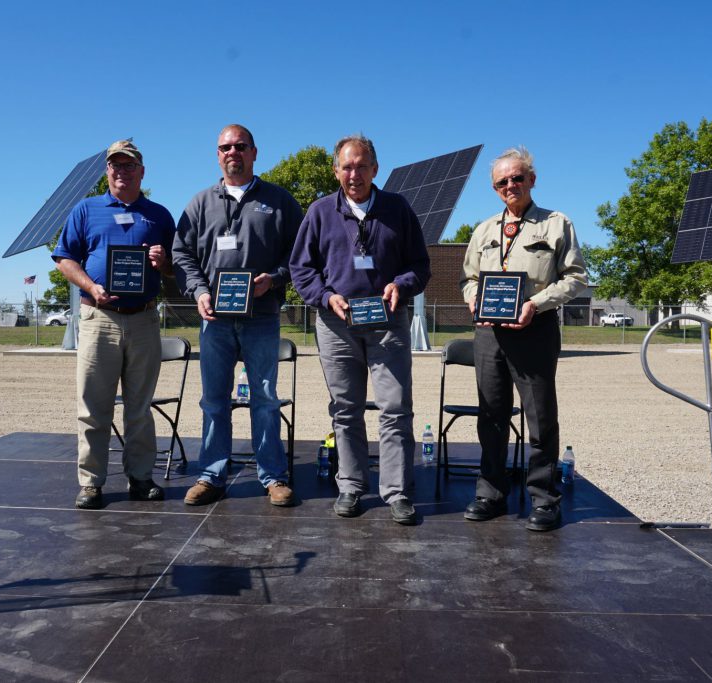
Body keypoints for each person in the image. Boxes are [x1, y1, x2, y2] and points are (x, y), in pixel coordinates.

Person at [290, 135, 431, 525]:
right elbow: (302, 268)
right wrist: (324, 296)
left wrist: (400, 285)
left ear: (375, 169)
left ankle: (397, 492)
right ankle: (351, 485)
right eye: (346, 167)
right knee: (346, 410)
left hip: (388, 323)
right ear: (336, 171)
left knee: (395, 409)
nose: (354, 174)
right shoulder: (319, 212)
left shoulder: (398, 209)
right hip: (338, 324)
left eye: (361, 166)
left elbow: (420, 266)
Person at [172, 124, 303, 507]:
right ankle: (211, 475)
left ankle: (273, 477)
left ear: (254, 152)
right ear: (217, 155)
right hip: (215, 321)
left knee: (264, 399)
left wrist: (275, 279)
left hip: (262, 316)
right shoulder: (199, 203)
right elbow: (182, 255)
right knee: (214, 399)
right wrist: (198, 291)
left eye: (240, 146)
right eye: (225, 147)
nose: (233, 152)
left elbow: (299, 255)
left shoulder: (279, 201)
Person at [460, 147, 587, 531]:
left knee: (540, 419)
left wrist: (535, 303)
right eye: (502, 182)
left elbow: (575, 278)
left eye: (517, 178)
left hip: (535, 330)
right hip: (489, 335)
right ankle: (490, 494)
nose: (510, 186)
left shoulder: (556, 224)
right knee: (491, 416)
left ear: (532, 179)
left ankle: (544, 499)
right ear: (494, 188)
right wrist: (473, 300)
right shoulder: (483, 230)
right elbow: (468, 278)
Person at [52, 139, 176, 510]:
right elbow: (63, 258)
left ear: (142, 171)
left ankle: (140, 477)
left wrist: (163, 260)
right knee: (93, 405)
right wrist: (90, 286)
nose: (121, 171)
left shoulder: (159, 215)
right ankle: (91, 482)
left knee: (139, 406)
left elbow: (176, 268)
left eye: (129, 165)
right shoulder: (86, 210)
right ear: (107, 171)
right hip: (98, 318)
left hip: (143, 320)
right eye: (115, 166)